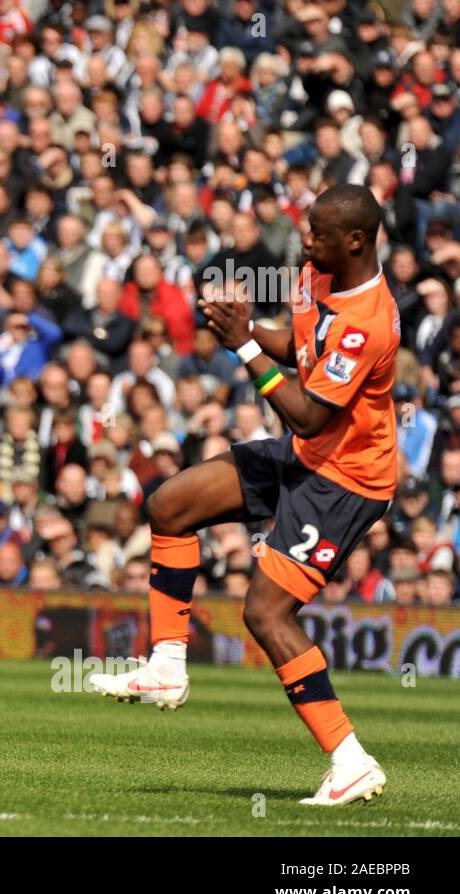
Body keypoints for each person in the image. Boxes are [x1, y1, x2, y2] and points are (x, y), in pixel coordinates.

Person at [90, 185, 398, 806]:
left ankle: (350, 759)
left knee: (264, 614)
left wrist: (244, 347)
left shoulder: (369, 323)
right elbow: (303, 349)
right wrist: (251, 329)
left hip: (347, 481)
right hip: (307, 456)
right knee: (170, 506)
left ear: (357, 241)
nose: (305, 240)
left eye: (317, 232)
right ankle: (167, 667)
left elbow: (310, 414)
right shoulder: (317, 274)